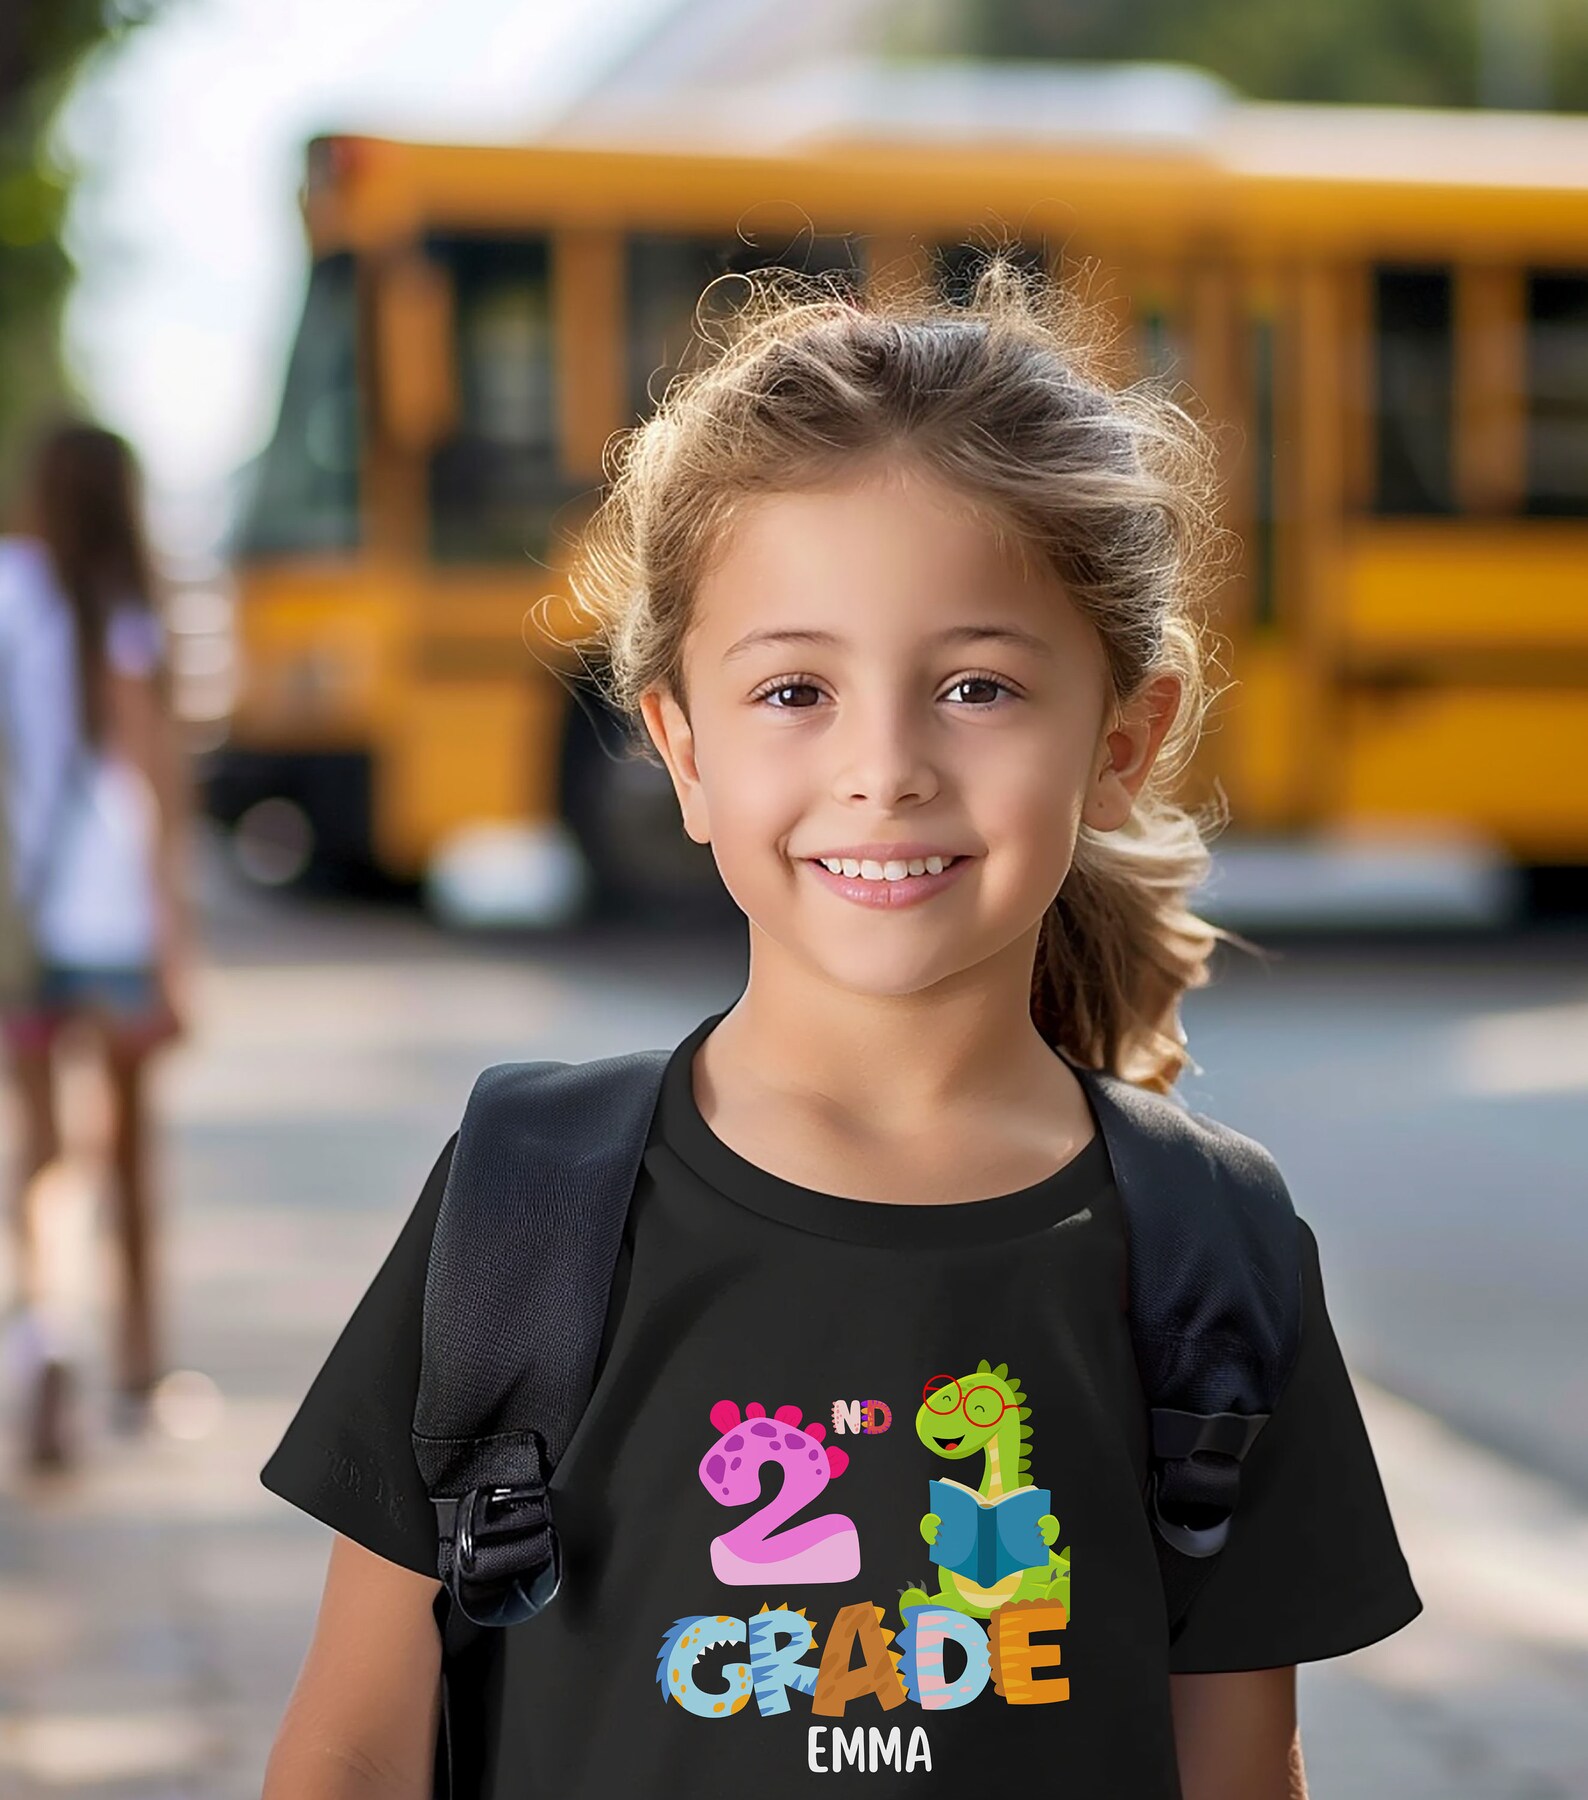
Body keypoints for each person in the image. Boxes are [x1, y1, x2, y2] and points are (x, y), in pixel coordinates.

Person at [258, 256, 1422, 1799]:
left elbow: (1239, 1776)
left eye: (980, 688)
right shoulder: (525, 1201)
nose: (886, 769)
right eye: (796, 690)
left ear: (1122, 740)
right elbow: (348, 1748)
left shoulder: (1215, 1250)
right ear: (679, 749)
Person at [0, 420, 193, 1470]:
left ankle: (42, 1334)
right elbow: (153, 794)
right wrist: (177, 945)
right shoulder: (123, 612)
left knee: (36, 1152)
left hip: (20, 924)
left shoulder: (6, 593)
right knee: (127, 1150)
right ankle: (139, 1364)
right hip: (111, 920)